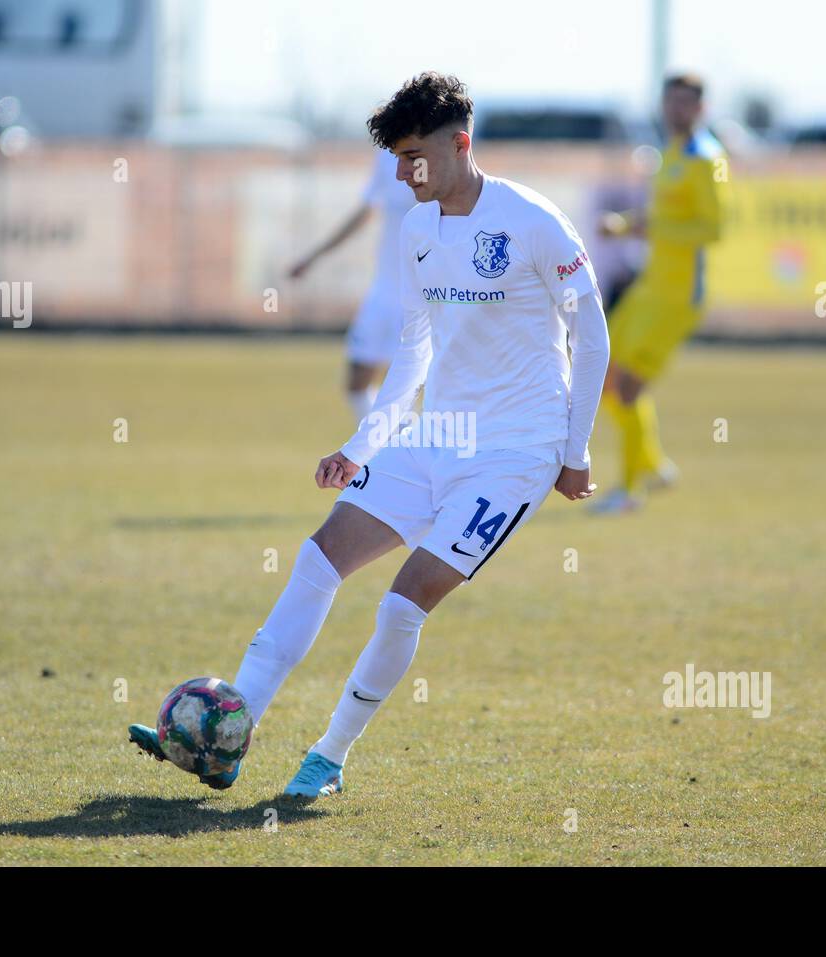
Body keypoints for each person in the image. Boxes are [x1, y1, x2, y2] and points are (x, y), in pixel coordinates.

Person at [131, 72, 610, 800]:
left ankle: (327, 756)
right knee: (320, 556)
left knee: (400, 602)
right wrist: (361, 445)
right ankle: (229, 732)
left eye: (413, 155)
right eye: (395, 157)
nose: (400, 173)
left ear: (461, 143)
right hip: (433, 436)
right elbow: (411, 356)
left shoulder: (533, 220)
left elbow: (593, 335)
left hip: (515, 455)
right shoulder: (417, 229)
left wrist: (573, 453)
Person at [591, 73, 724, 514]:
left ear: (701, 108)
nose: (677, 110)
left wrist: (649, 227)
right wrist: (627, 224)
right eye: (671, 102)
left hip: (679, 294)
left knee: (627, 385)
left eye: (686, 103)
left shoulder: (706, 159)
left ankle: (629, 491)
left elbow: (713, 228)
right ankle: (652, 465)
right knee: (604, 376)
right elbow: (660, 214)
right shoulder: (670, 154)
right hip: (651, 287)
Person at [288, 148, 417, 421]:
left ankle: (410, 452)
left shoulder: (438, 153)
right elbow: (366, 210)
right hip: (383, 292)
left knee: (410, 389)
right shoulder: (386, 156)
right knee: (357, 383)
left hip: (422, 295)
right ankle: (388, 448)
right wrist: (314, 257)